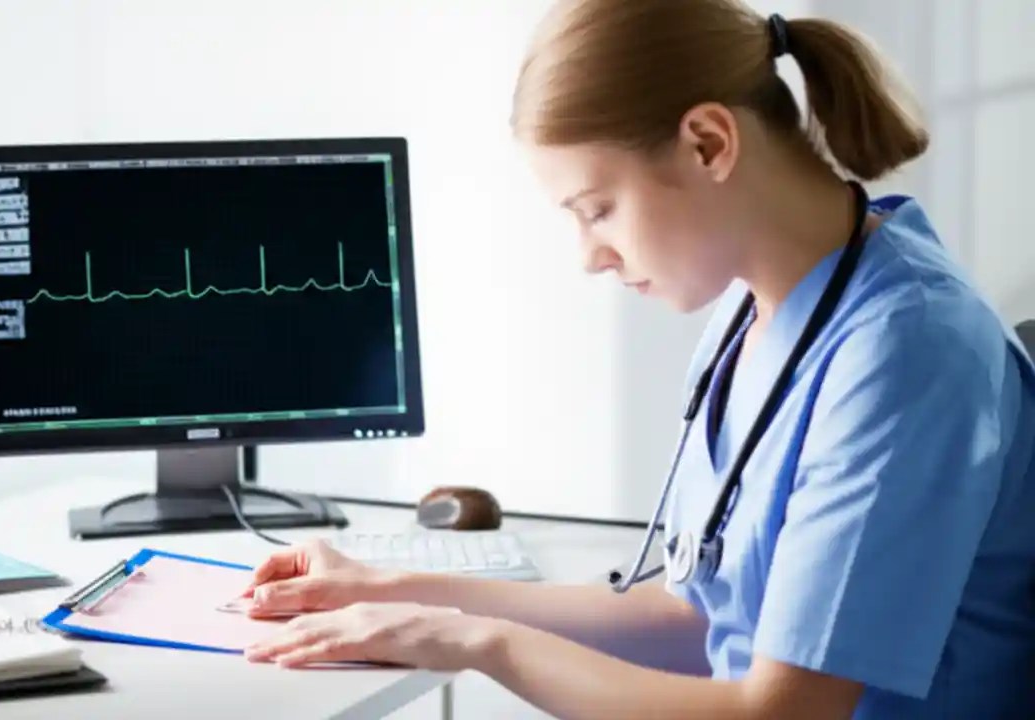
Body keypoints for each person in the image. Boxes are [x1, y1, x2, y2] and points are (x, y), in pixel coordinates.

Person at [241, 0, 1035, 717]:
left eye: (598, 210)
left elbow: (784, 714)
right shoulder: (753, 311)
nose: (591, 256)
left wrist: (480, 644)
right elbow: (695, 617)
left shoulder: (907, 352)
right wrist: (398, 590)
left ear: (708, 142)